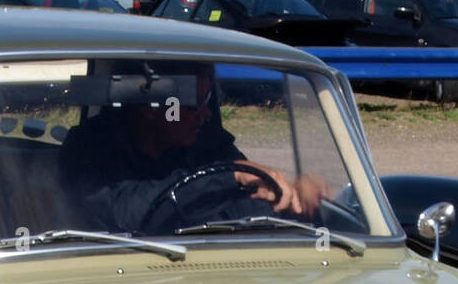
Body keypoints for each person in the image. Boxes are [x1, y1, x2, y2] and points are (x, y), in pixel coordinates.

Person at [59, 62, 329, 234]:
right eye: (193, 104)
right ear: (152, 108)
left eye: (208, 101)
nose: (205, 115)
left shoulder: (205, 145)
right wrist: (227, 176)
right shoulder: (90, 147)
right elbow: (126, 215)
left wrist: (294, 201)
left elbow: (238, 208)